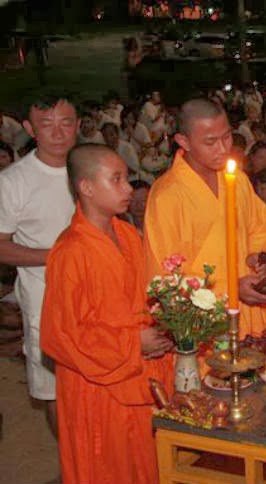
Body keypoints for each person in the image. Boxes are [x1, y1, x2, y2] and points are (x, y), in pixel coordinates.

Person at [40, 144, 173, 484]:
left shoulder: (128, 234)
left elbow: (144, 299)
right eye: (116, 179)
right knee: (106, 469)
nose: (129, 188)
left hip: (137, 375)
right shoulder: (70, 251)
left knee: (144, 463)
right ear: (86, 187)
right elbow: (61, 336)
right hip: (96, 385)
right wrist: (133, 342)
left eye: (126, 178)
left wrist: (162, 329)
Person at [144, 98, 266, 337]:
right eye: (210, 142)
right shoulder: (167, 196)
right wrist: (231, 289)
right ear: (183, 141)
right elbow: (166, 278)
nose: (223, 149)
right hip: (207, 326)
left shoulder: (237, 180)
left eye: (226, 136)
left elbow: (260, 228)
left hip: (250, 312)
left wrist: (256, 260)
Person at [0, 96, 78, 435]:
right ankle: (73, 464)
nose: (58, 133)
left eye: (66, 122)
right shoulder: (14, 180)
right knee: (54, 390)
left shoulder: (91, 167)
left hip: (97, 296)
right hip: (46, 300)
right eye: (47, 124)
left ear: (77, 124)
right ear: (30, 129)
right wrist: (56, 256)